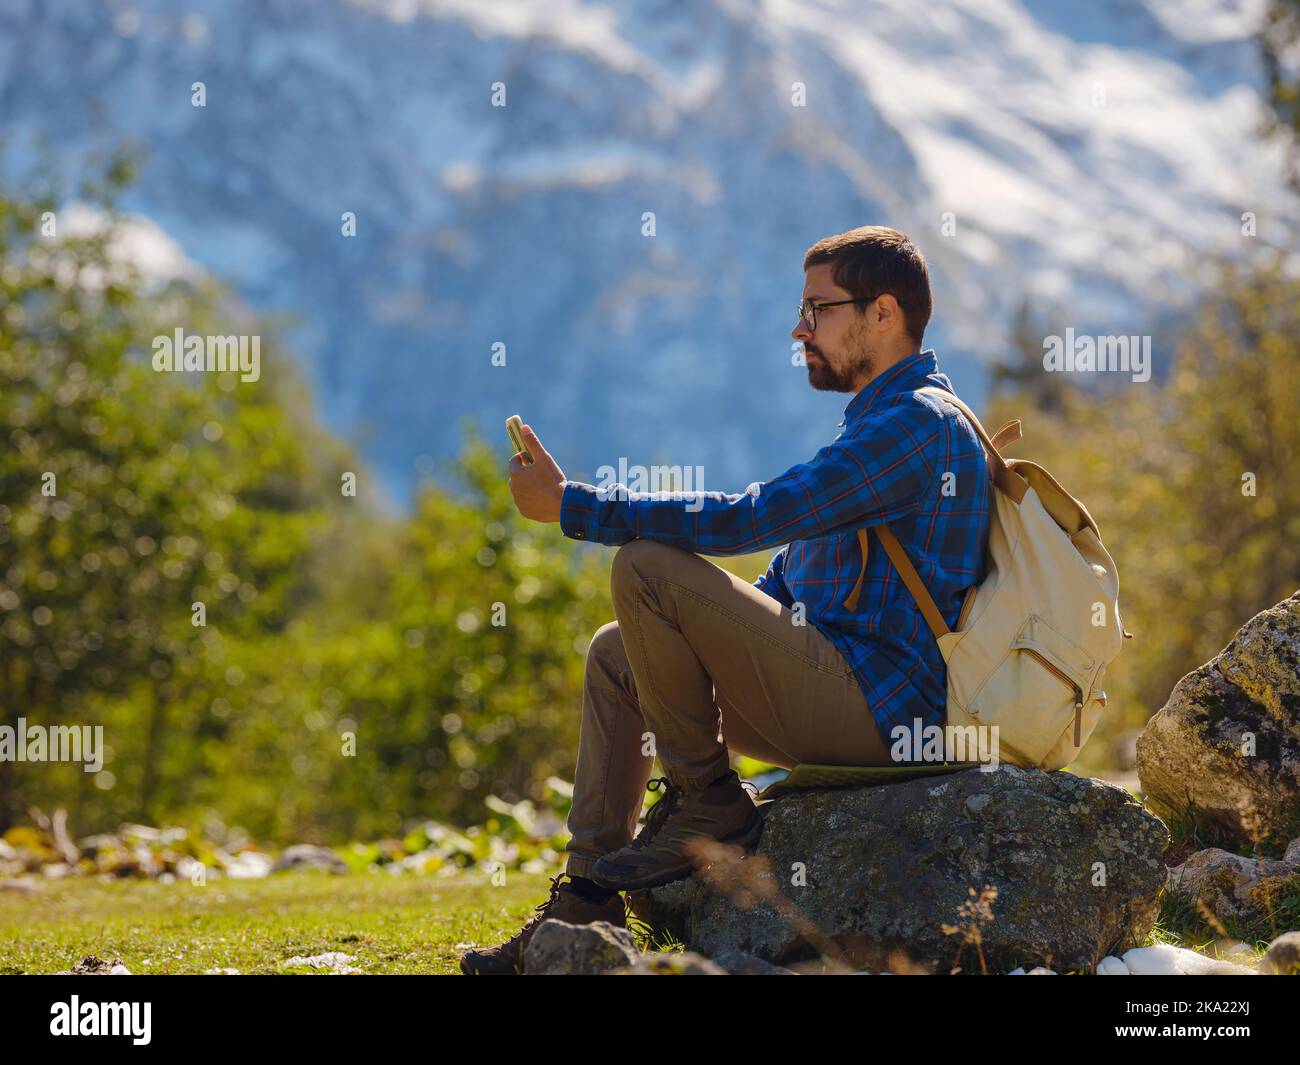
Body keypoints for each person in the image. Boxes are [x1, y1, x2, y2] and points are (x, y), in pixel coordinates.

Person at [459, 225, 991, 975]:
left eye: (818, 308)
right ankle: (583, 908)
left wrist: (575, 505)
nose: (798, 328)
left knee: (646, 567)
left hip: (885, 713)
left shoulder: (917, 425)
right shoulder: (876, 423)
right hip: (833, 685)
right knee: (618, 655)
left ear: (883, 314)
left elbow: (753, 517)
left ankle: (709, 800)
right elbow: (785, 580)